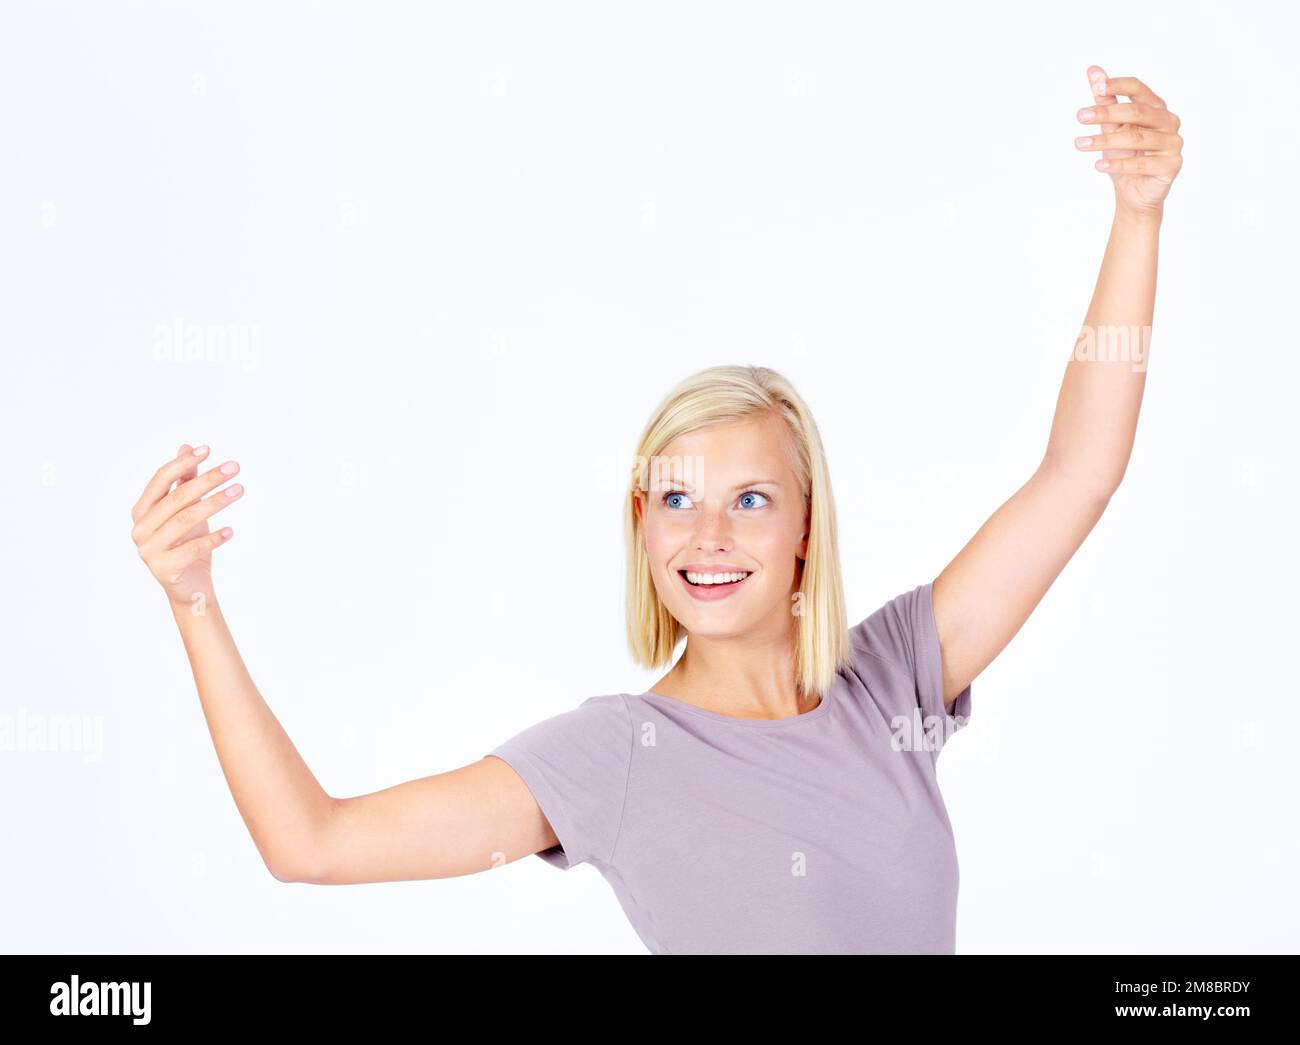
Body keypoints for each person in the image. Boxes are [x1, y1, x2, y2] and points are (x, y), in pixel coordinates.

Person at [129, 66, 1181, 954]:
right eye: (676, 498)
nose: (707, 534)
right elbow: (310, 845)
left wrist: (1138, 214)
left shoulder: (889, 679)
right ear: (642, 525)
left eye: (750, 499)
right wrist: (192, 601)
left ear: (807, 527)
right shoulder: (616, 759)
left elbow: (1079, 472)